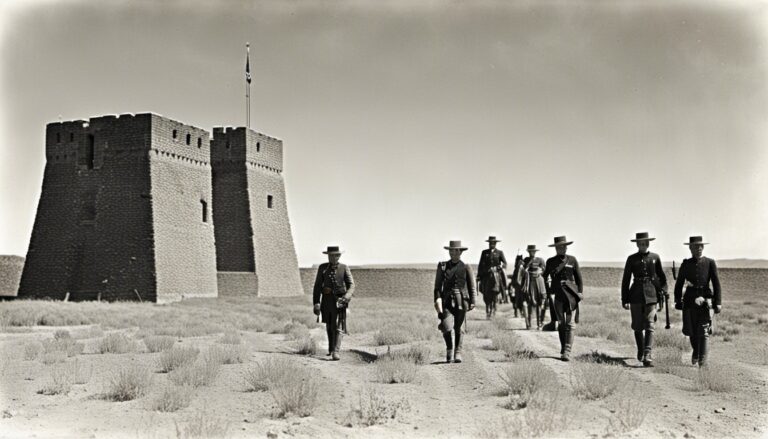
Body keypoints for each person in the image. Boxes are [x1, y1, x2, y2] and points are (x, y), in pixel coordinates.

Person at [621, 232, 668, 367]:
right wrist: (624, 299)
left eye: (645, 243)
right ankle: (641, 349)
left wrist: (663, 293)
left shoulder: (655, 257)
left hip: (651, 294)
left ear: (648, 243)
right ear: (637, 244)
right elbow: (626, 280)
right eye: (640, 243)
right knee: (637, 326)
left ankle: (647, 354)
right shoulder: (631, 259)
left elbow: (662, 278)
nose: (643, 245)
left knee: (650, 324)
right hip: (635, 294)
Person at [674, 236, 721, 367]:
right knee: (692, 331)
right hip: (689, 300)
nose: (699, 248)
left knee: (704, 331)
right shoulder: (686, 264)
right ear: (690, 248)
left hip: (706, 300)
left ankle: (703, 362)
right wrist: (678, 300)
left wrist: (718, 302)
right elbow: (679, 284)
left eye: (701, 246)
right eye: (695, 246)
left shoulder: (710, 262)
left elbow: (716, 283)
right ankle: (696, 351)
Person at [434, 240, 476, 363]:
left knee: (459, 328)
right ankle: (449, 348)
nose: (453, 253)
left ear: (460, 252)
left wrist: (472, 301)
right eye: (451, 250)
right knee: (446, 327)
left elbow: (472, 286)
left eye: (456, 250)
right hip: (446, 301)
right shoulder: (442, 266)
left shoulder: (466, 267)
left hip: (462, 301)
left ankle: (458, 352)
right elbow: (437, 287)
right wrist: (438, 304)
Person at [543, 236, 583, 361]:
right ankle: (563, 347)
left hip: (571, 295)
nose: (563, 248)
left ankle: (567, 351)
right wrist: (549, 291)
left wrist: (580, 292)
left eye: (564, 246)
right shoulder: (550, 261)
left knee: (570, 324)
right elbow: (545, 277)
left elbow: (579, 278)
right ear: (556, 248)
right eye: (560, 247)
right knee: (561, 323)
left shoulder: (572, 260)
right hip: (558, 295)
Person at [312, 246, 355, 361]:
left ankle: (336, 351)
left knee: (339, 325)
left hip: (341, 301)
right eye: (331, 255)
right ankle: (331, 349)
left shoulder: (344, 268)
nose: (333, 257)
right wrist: (316, 302)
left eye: (336, 255)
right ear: (328, 256)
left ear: (339, 256)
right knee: (330, 325)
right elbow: (317, 287)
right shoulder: (322, 268)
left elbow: (351, 285)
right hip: (327, 301)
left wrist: (346, 297)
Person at [477, 236, 507, 319]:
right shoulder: (484, 252)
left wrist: (498, 267)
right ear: (489, 243)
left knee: (495, 291)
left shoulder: (499, 252)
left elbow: (505, 263)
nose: (492, 244)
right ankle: (487, 310)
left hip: (496, 275)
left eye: (493, 243)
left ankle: (494, 308)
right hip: (486, 275)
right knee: (486, 294)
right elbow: (480, 264)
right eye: (490, 243)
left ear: (495, 244)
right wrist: (479, 275)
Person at [520, 244, 547, 330]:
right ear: (529, 252)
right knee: (530, 302)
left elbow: (544, 269)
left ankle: (539, 323)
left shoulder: (540, 260)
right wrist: (523, 267)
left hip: (538, 281)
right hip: (529, 282)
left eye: (534, 251)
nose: (533, 253)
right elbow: (522, 271)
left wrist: (540, 271)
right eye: (531, 251)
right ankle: (529, 323)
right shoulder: (526, 260)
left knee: (540, 302)